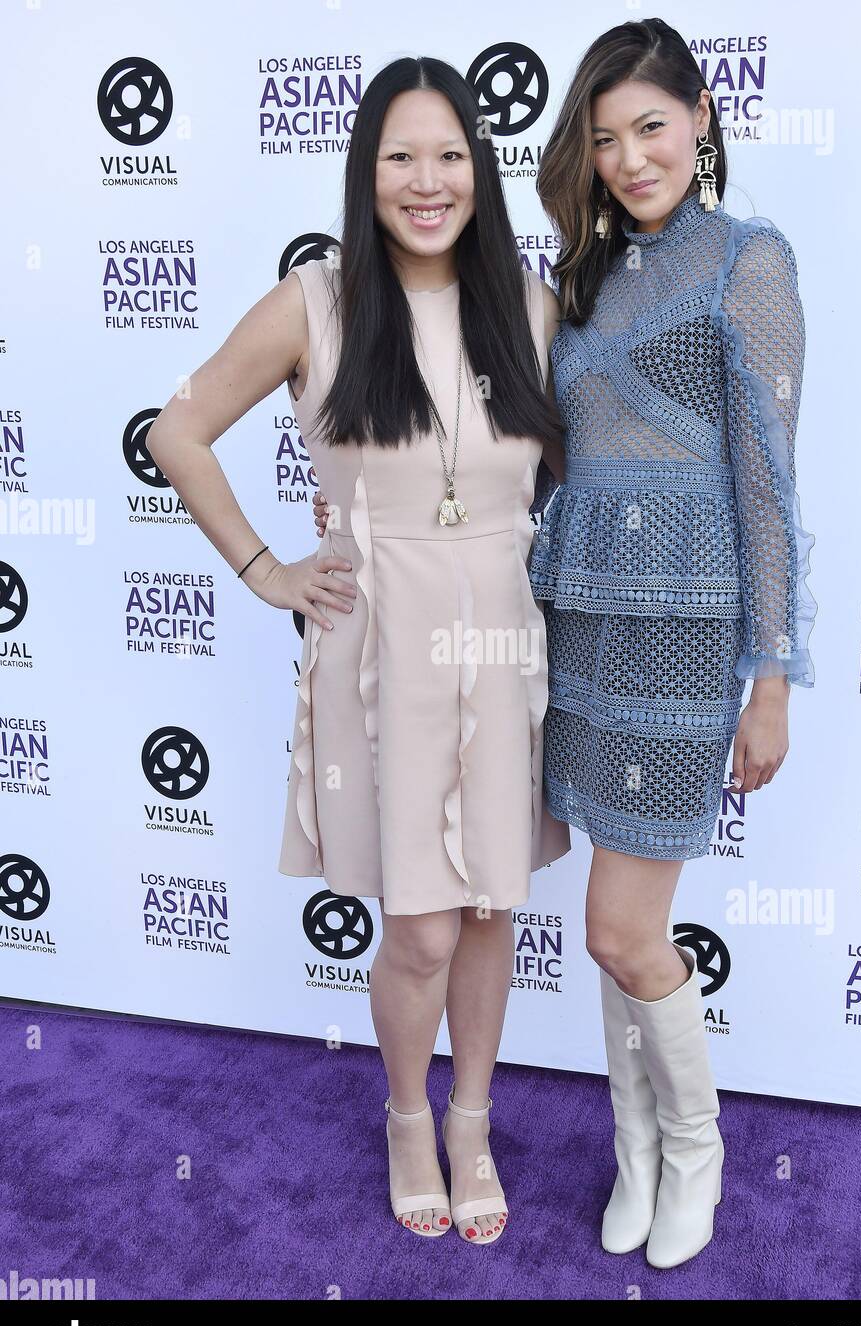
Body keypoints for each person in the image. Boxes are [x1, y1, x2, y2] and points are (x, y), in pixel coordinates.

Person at [146, 55, 569, 1247]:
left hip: (500, 638)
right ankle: (404, 1114)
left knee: (489, 910)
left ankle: (472, 1120)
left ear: (479, 171)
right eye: (400, 156)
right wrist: (266, 570)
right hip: (375, 644)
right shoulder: (315, 302)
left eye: (449, 155)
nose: (426, 181)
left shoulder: (530, 309)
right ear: (364, 171)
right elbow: (178, 430)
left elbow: (587, 473)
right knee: (421, 927)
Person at [528, 18, 818, 1268]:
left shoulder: (747, 260)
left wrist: (772, 678)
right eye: (603, 140)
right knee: (613, 927)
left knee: (617, 926)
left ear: (701, 115)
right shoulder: (581, 277)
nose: (629, 158)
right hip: (580, 624)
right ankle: (634, 1147)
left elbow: (768, 479)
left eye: (649, 126)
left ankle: (694, 1149)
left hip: (687, 637)